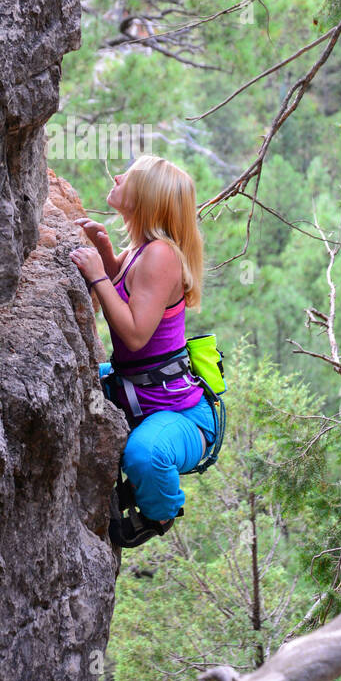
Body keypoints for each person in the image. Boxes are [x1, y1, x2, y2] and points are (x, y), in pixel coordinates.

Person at [70, 154, 216, 547]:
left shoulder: (162, 256)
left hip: (183, 417)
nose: (118, 175)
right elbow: (125, 285)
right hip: (138, 393)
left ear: (147, 196)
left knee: (145, 454)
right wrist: (104, 249)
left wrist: (97, 274)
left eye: (130, 176)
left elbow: (135, 334)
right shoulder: (144, 249)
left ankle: (159, 512)